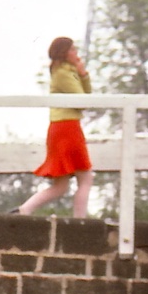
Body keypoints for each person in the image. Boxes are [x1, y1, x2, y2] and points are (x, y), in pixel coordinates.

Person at [17, 37, 94, 218]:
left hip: (62, 127)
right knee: (86, 178)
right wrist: (82, 75)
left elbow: (86, 97)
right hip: (68, 127)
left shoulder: (65, 72)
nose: (76, 53)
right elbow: (83, 101)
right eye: (73, 50)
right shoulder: (63, 73)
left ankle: (24, 209)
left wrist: (83, 75)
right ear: (64, 52)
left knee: (61, 186)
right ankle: (80, 221)